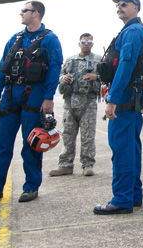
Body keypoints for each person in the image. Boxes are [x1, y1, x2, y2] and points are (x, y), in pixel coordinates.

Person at [0, 1, 62, 204]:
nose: (21, 13)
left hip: (35, 95)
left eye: (25, 10)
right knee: (2, 145)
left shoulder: (49, 39)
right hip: (11, 95)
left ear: (37, 13)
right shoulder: (15, 39)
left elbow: (54, 68)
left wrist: (49, 97)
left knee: (32, 143)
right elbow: (2, 67)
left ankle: (31, 186)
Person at [93, 0, 143, 215]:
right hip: (131, 97)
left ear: (136, 7)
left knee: (122, 150)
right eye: (118, 5)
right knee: (130, 148)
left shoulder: (133, 32)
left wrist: (112, 99)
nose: (120, 7)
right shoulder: (134, 30)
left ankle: (122, 199)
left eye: (124, 4)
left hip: (125, 98)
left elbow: (125, 66)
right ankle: (134, 195)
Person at [50, 33, 99, 177]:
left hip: (88, 102)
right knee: (67, 135)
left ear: (92, 44)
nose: (86, 44)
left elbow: (108, 77)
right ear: (79, 43)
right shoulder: (70, 60)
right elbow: (58, 77)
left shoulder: (98, 60)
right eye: (83, 41)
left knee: (88, 135)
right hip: (70, 102)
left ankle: (87, 165)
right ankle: (65, 165)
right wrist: (62, 78)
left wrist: (97, 77)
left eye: (89, 41)